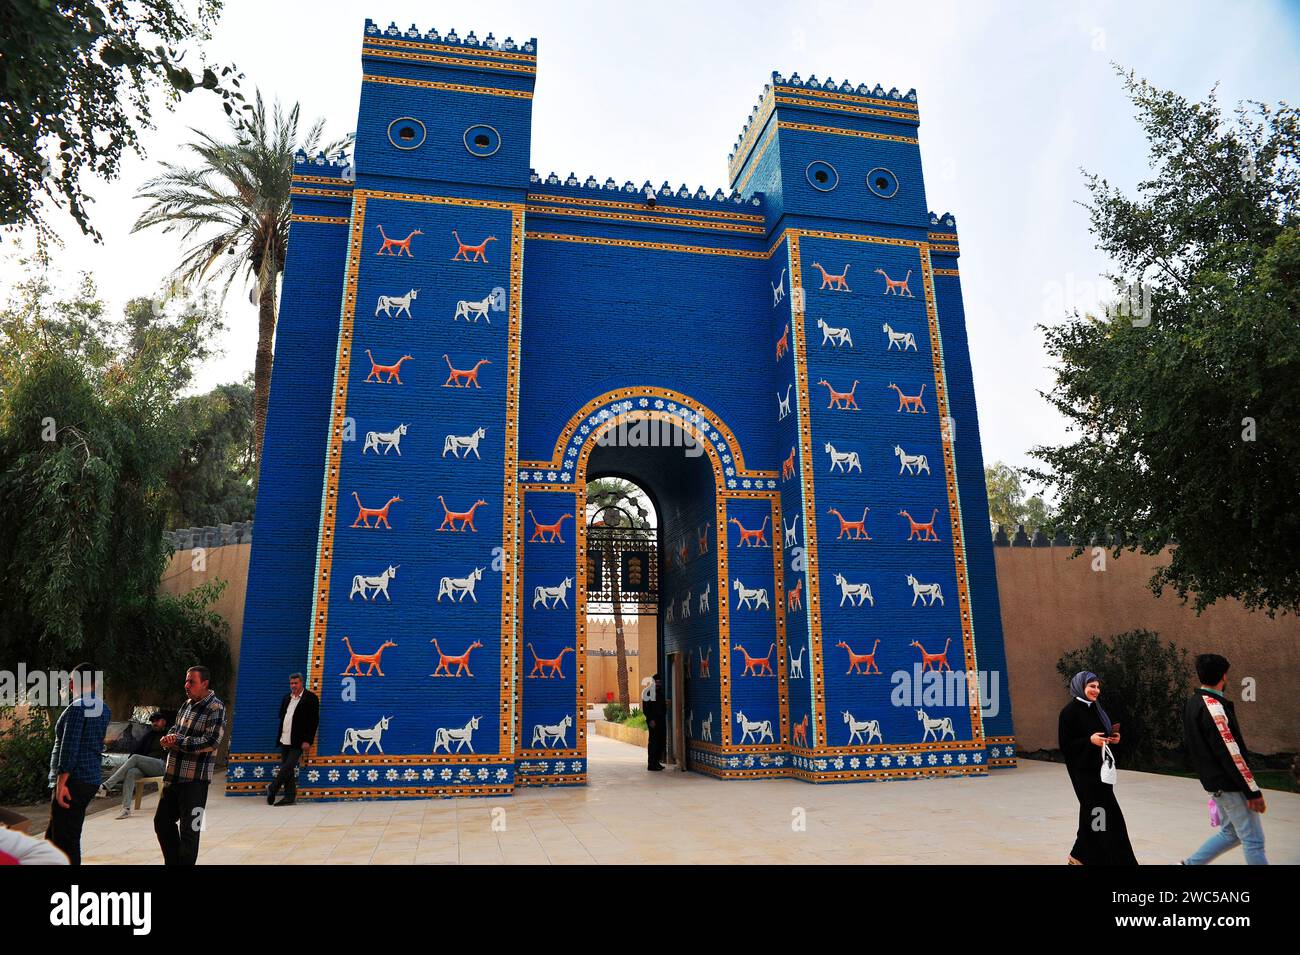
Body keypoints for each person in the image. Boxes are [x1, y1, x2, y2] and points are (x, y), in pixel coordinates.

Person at [1182, 653, 1268, 865]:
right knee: (1253, 840)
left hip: (1217, 784)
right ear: (1223, 676)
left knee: (1231, 834)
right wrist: (1252, 791)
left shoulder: (1194, 703)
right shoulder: (1213, 707)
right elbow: (1231, 753)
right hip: (1229, 785)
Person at [1058, 670, 1137, 865]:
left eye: (1098, 686)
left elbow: (1103, 734)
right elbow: (1066, 746)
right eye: (1092, 686)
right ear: (1080, 686)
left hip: (1101, 771)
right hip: (1084, 773)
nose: (1096, 690)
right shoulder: (1069, 713)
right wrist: (1089, 741)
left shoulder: (1097, 708)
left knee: (1092, 812)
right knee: (1103, 815)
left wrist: (1113, 739)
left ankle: (1079, 856)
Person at [154, 666, 225, 865]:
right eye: (186, 681)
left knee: (190, 831)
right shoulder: (186, 705)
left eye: (191, 682)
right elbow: (176, 730)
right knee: (161, 823)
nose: (186, 685)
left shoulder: (215, 708)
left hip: (196, 782)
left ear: (204, 683)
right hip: (173, 776)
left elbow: (212, 741)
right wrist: (168, 739)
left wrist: (178, 742)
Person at [45, 664, 111, 865]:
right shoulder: (104, 709)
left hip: (73, 780)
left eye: (72, 680)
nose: (70, 684)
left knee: (66, 842)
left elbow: (69, 746)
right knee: (54, 838)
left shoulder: (77, 707)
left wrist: (61, 782)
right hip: (89, 778)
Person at [99, 711, 169, 819]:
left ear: (164, 721)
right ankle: (126, 809)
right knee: (131, 772)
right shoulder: (149, 735)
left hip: (162, 765)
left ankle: (107, 785)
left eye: (157, 721)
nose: (154, 723)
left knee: (135, 757)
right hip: (147, 767)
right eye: (152, 721)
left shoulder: (169, 733)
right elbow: (136, 750)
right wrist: (130, 764)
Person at [267, 673, 319, 806]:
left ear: (302, 683)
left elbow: (313, 722)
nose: (293, 686)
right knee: (287, 769)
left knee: (288, 766)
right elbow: (282, 716)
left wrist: (308, 740)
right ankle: (289, 797)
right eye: (291, 683)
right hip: (285, 738)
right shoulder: (286, 698)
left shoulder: (310, 698)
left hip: (299, 741)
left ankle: (273, 787)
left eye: (296, 683)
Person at [642, 672, 666, 771]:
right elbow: (646, 708)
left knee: (660, 741)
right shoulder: (648, 693)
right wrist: (651, 719)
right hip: (653, 722)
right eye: (657, 682)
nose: (658, 684)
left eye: (660, 682)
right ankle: (651, 764)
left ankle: (657, 762)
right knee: (654, 742)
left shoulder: (660, 692)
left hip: (660, 720)